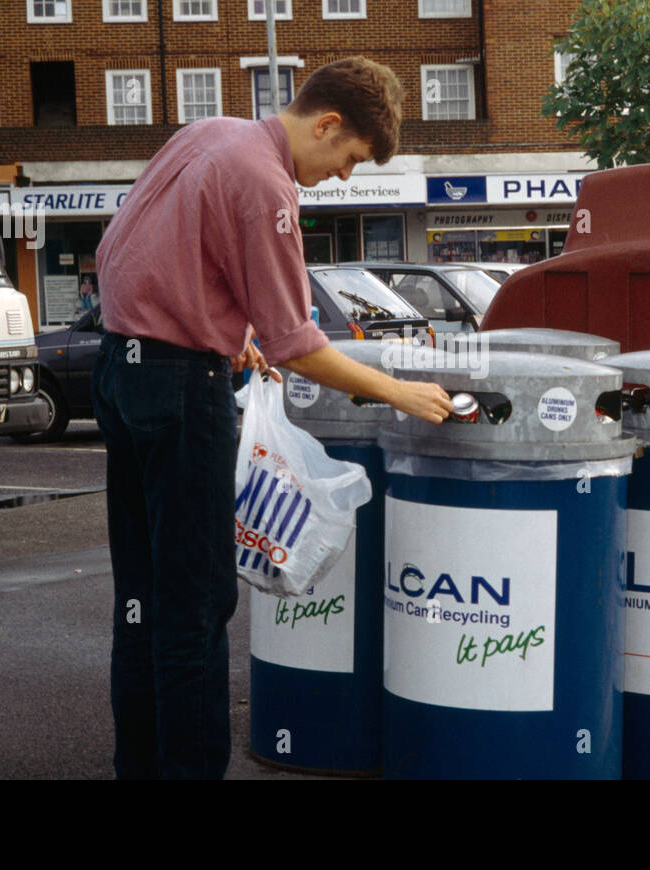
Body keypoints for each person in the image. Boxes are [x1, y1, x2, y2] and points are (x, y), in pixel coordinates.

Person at [91, 56, 452, 780]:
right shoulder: (268, 185)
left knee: (143, 599)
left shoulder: (204, 134)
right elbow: (300, 345)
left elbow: (118, 253)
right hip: (181, 392)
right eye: (348, 158)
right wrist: (399, 392)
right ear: (326, 123)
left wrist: (225, 326)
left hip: (118, 372)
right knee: (195, 607)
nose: (343, 177)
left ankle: (140, 766)